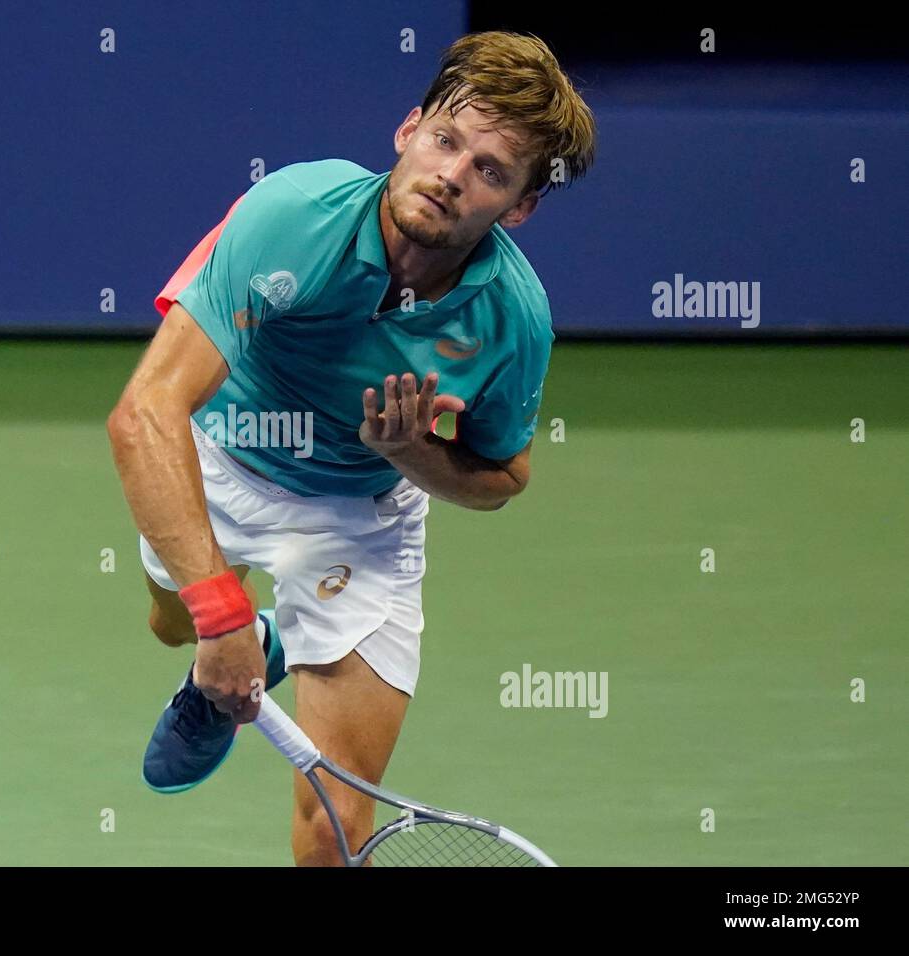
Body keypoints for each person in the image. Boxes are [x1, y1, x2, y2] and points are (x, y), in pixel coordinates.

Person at [107, 31, 596, 866]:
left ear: (519, 207)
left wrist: (412, 455)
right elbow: (146, 412)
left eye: (491, 170)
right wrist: (220, 618)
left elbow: (502, 479)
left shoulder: (513, 319)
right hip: (219, 459)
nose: (451, 175)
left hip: (360, 522)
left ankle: (257, 640)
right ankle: (243, 642)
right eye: (447, 141)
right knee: (168, 623)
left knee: (332, 842)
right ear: (408, 131)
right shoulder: (295, 215)